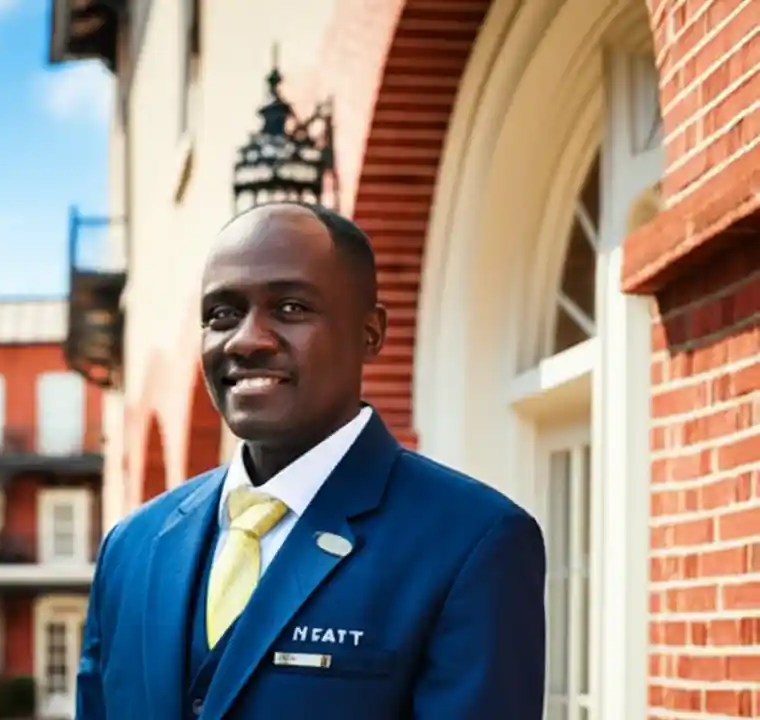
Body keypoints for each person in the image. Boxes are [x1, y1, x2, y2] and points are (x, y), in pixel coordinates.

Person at [75, 202, 546, 719]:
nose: (247, 339)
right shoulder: (131, 547)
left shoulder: (471, 542)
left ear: (371, 333)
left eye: (291, 308)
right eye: (222, 314)